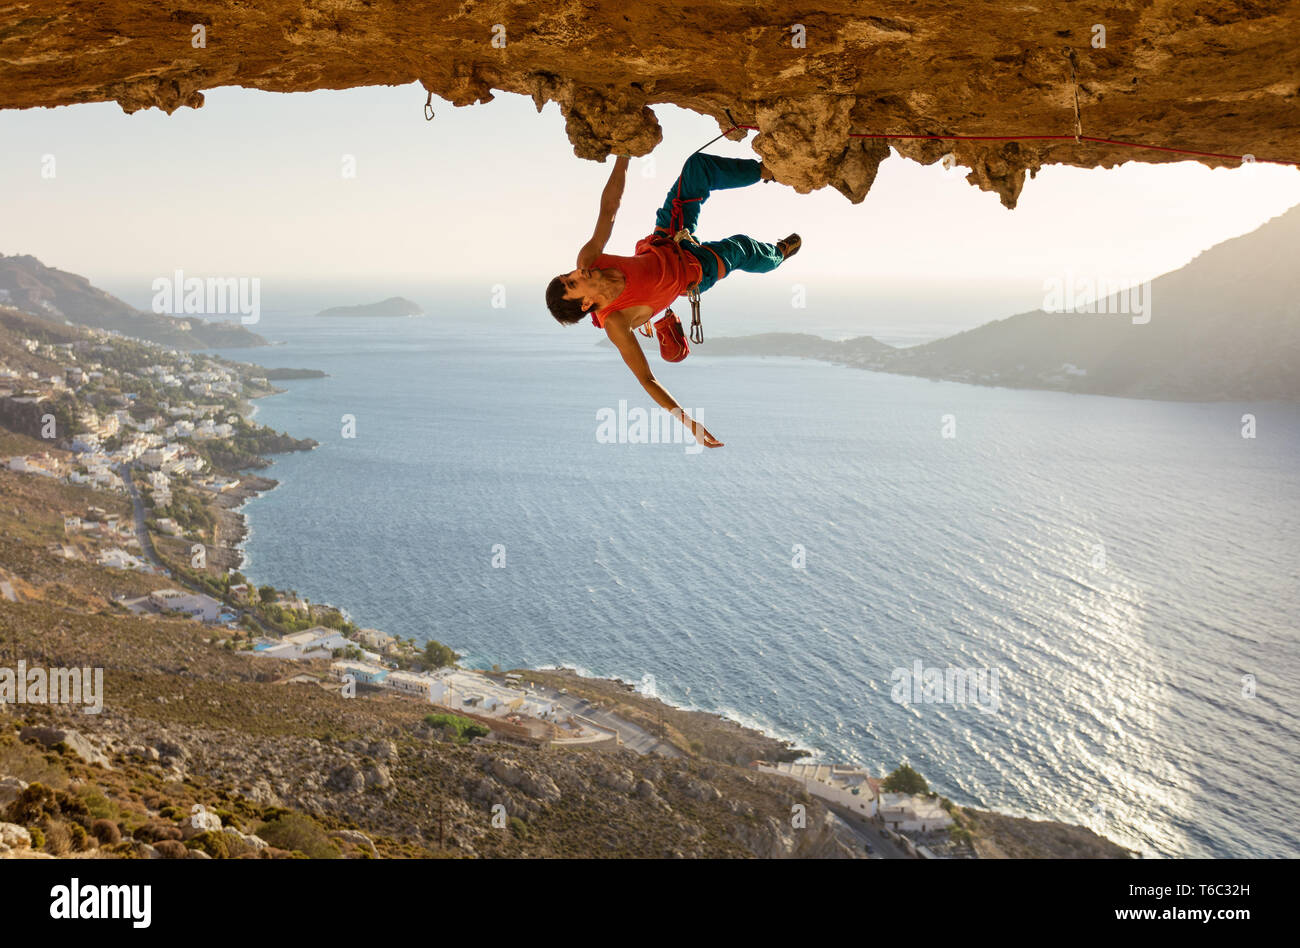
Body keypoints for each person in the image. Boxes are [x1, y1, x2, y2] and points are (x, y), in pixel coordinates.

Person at [545, 152, 801, 449]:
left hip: (667, 239)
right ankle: (777, 255)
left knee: (696, 169)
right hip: (695, 270)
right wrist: (689, 422)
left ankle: (767, 170)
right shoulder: (615, 321)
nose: (577, 271)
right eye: (572, 282)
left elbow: (608, 209)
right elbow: (647, 379)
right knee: (741, 247)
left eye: (568, 274)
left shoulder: (589, 259)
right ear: (586, 303)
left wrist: (623, 157)